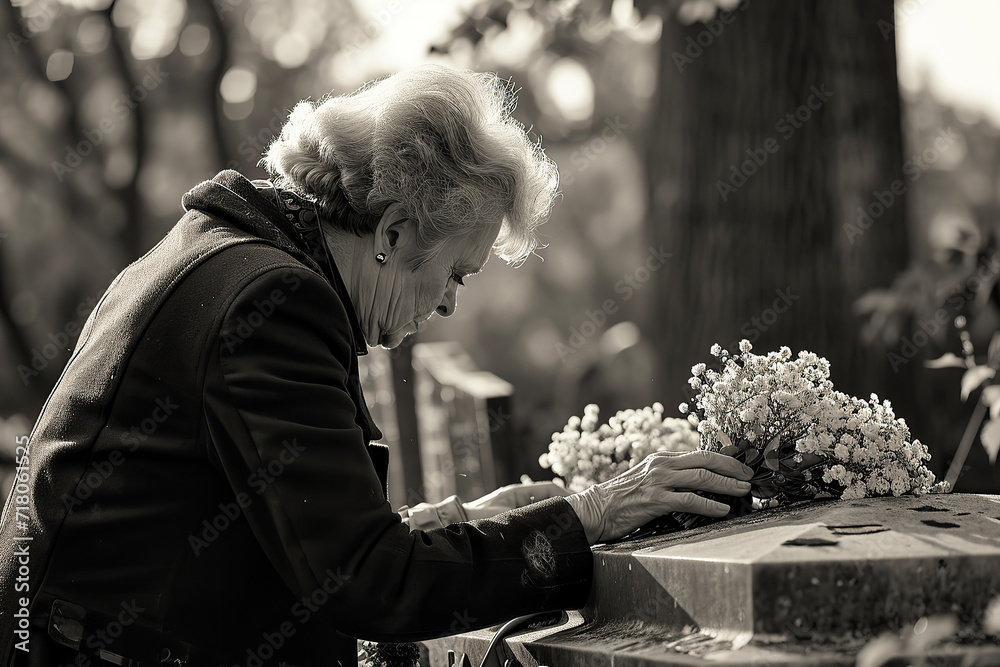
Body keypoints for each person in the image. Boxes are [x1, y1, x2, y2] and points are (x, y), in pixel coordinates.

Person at [0, 64, 752, 667]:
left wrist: (475, 519)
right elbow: (365, 579)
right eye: (457, 274)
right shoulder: (276, 302)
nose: (452, 305)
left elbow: (292, 535)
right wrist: (589, 516)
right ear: (392, 232)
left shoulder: (229, 258)